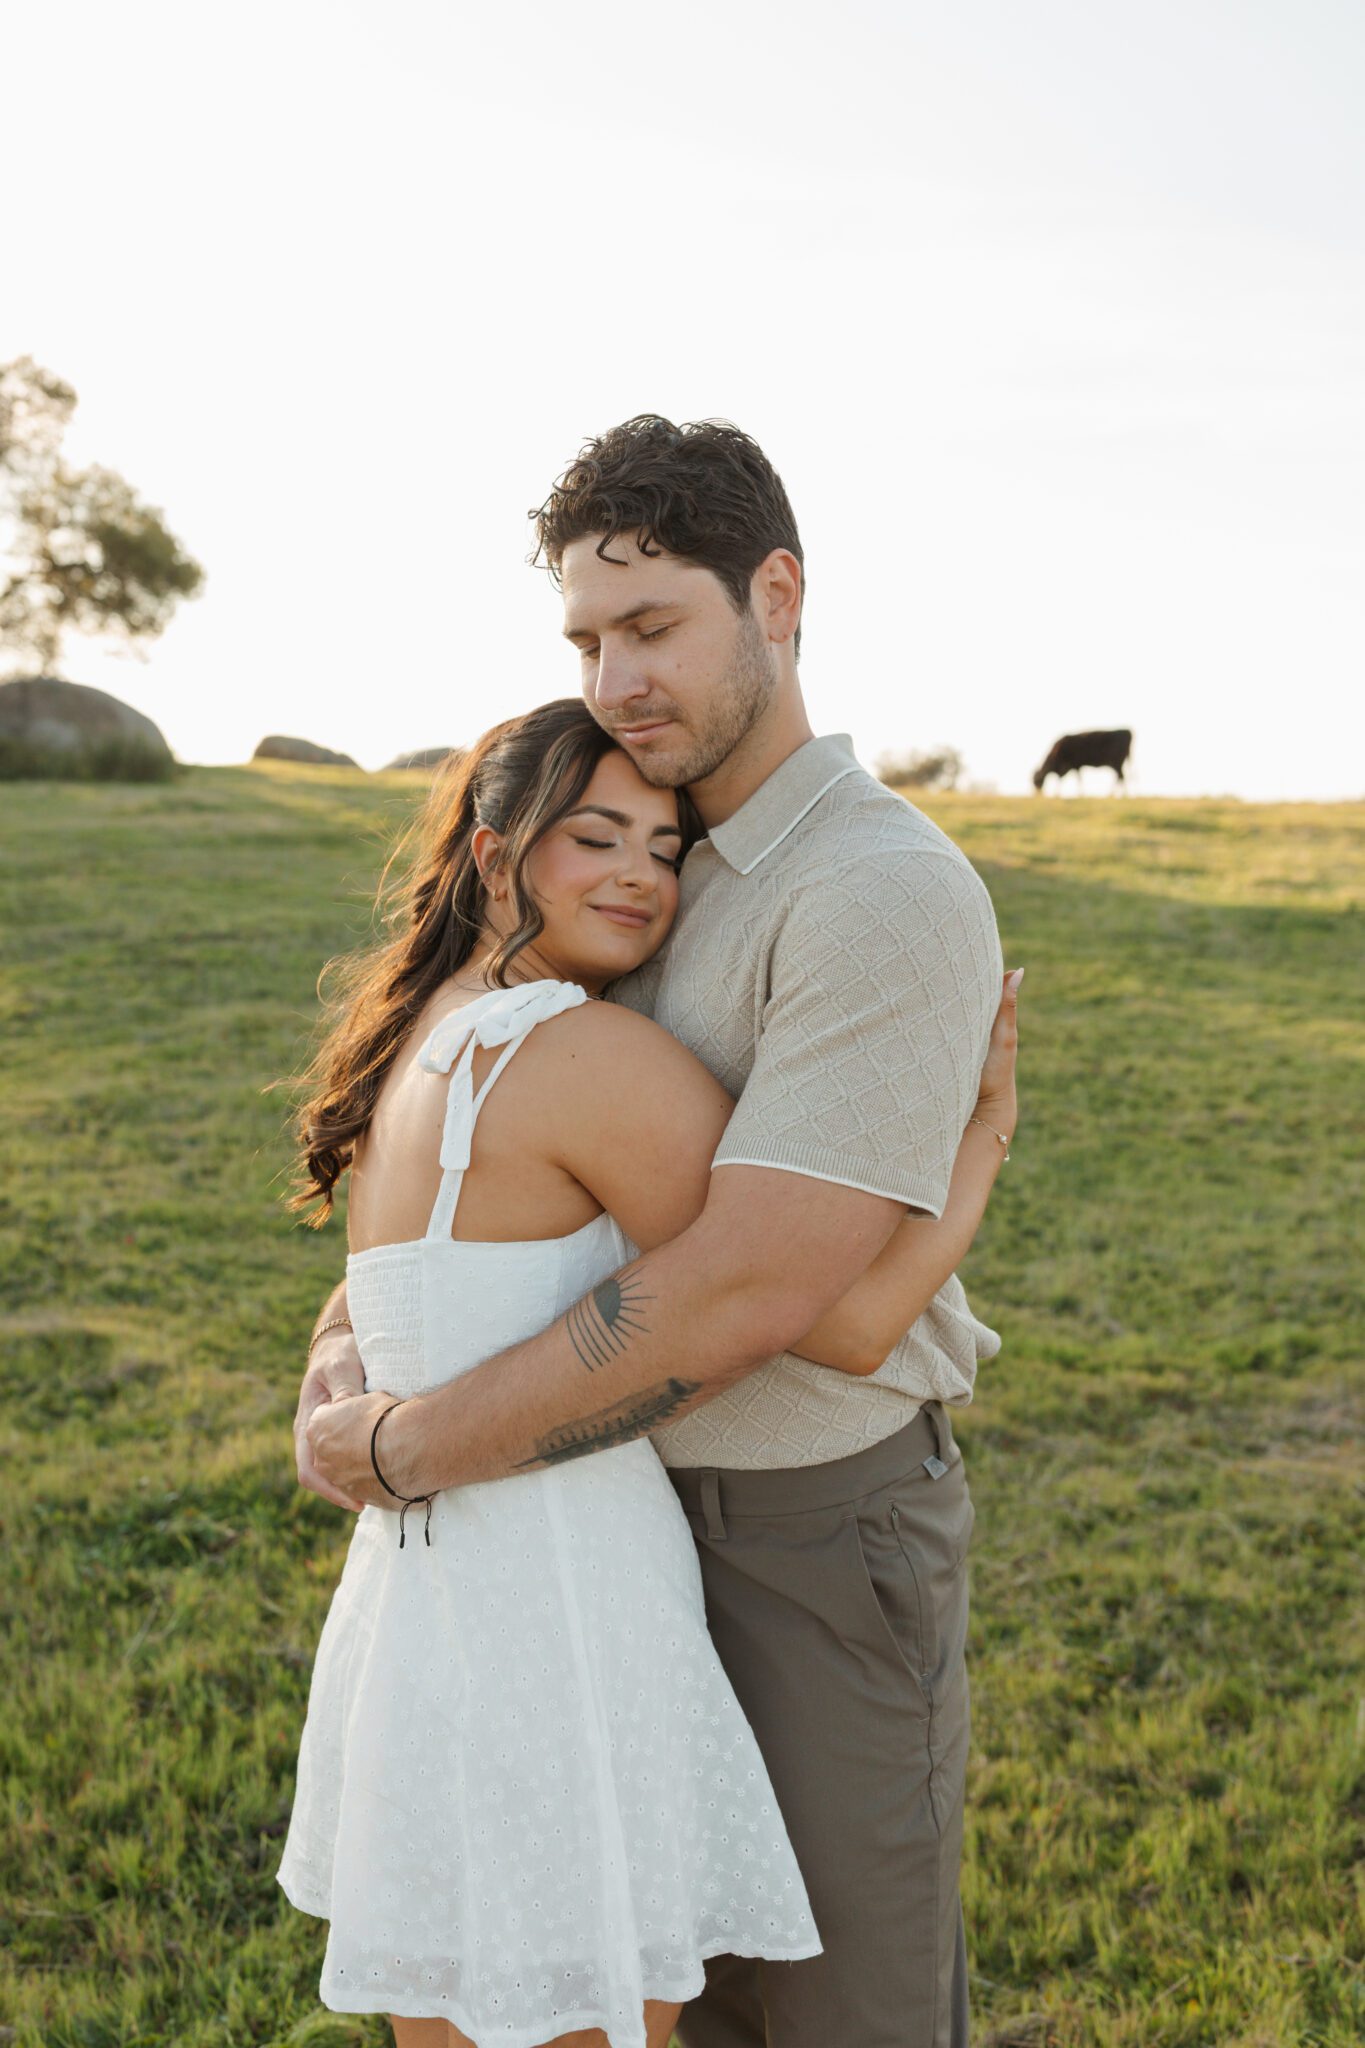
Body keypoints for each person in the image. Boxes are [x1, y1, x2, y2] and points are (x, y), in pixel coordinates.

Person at [300, 417, 1017, 2048]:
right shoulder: (644, 875)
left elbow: (762, 1291)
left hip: (802, 1527)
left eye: (654, 627)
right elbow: (492, 1197)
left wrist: (405, 1446)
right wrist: (352, 1357)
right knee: (651, 1986)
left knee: (833, 2008)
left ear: (776, 597)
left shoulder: (872, 892)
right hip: (597, 1515)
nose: (617, 675)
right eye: (585, 638)